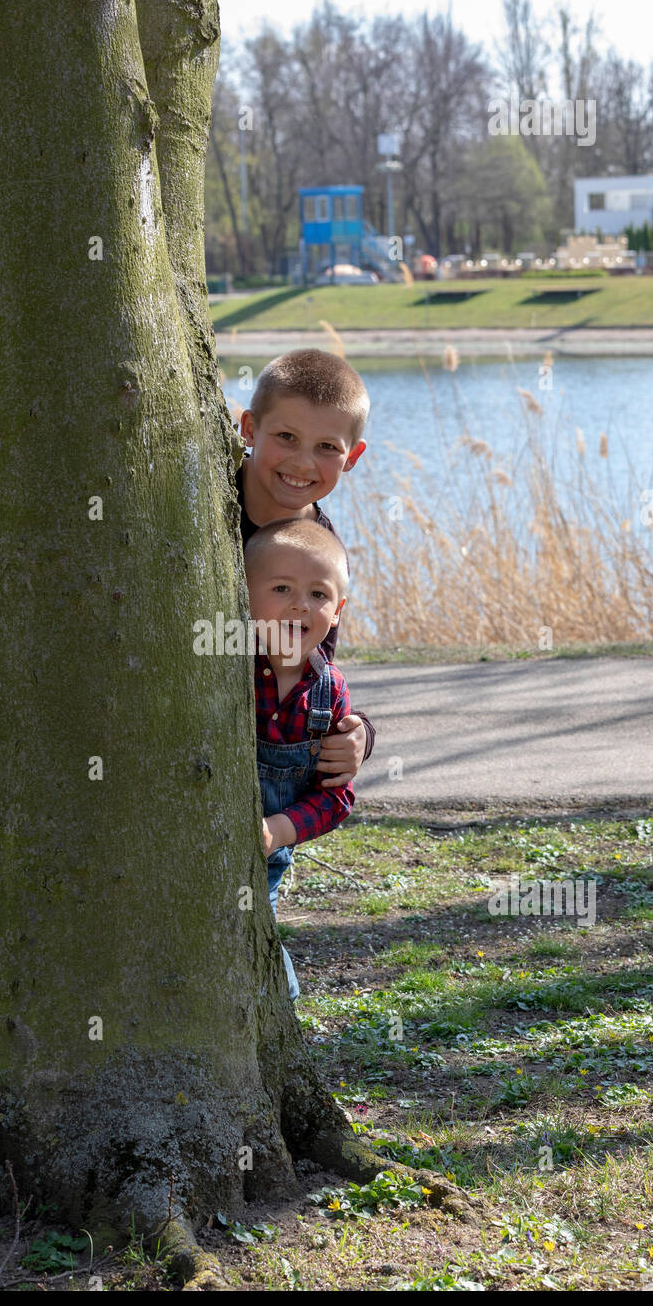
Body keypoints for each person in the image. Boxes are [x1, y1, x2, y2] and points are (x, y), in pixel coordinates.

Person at [234, 347, 374, 791]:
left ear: (352, 457)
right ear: (250, 429)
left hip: (266, 777)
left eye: (327, 447)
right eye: (287, 437)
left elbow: (316, 671)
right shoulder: (206, 504)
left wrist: (359, 735)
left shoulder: (323, 557)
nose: (302, 463)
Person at [244, 518, 355, 1000]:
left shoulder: (330, 692)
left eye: (318, 594)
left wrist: (279, 830)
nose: (300, 604)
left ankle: (280, 1017)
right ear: (244, 595)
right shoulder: (227, 666)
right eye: (282, 588)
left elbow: (337, 796)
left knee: (253, 930)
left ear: (337, 611)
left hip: (266, 856)